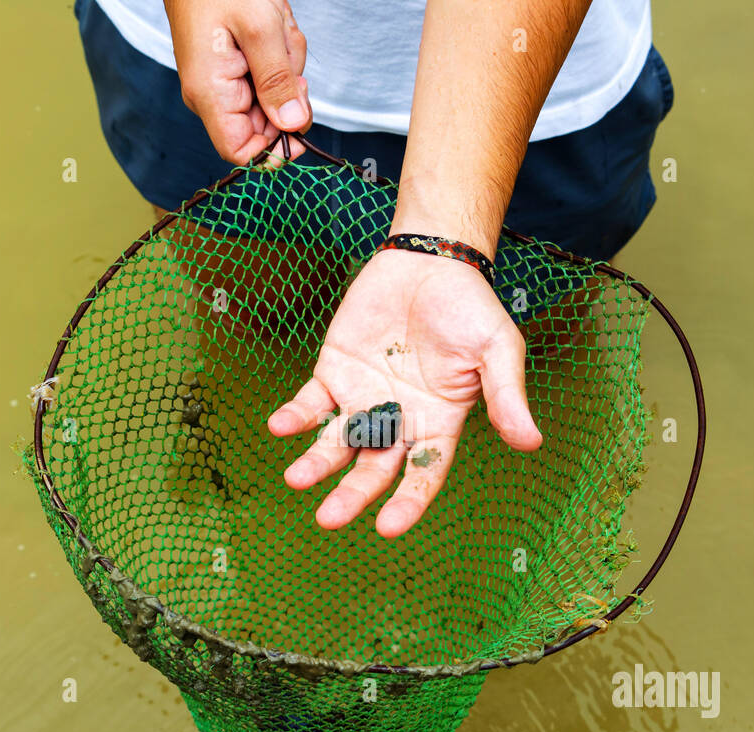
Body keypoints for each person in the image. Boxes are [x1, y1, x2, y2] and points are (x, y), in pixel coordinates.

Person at [75, 0, 673, 538]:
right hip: (207, 51)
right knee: (248, 321)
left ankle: (496, 533)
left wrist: (446, 241)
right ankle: (250, 511)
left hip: (525, 73)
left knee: (533, 353)